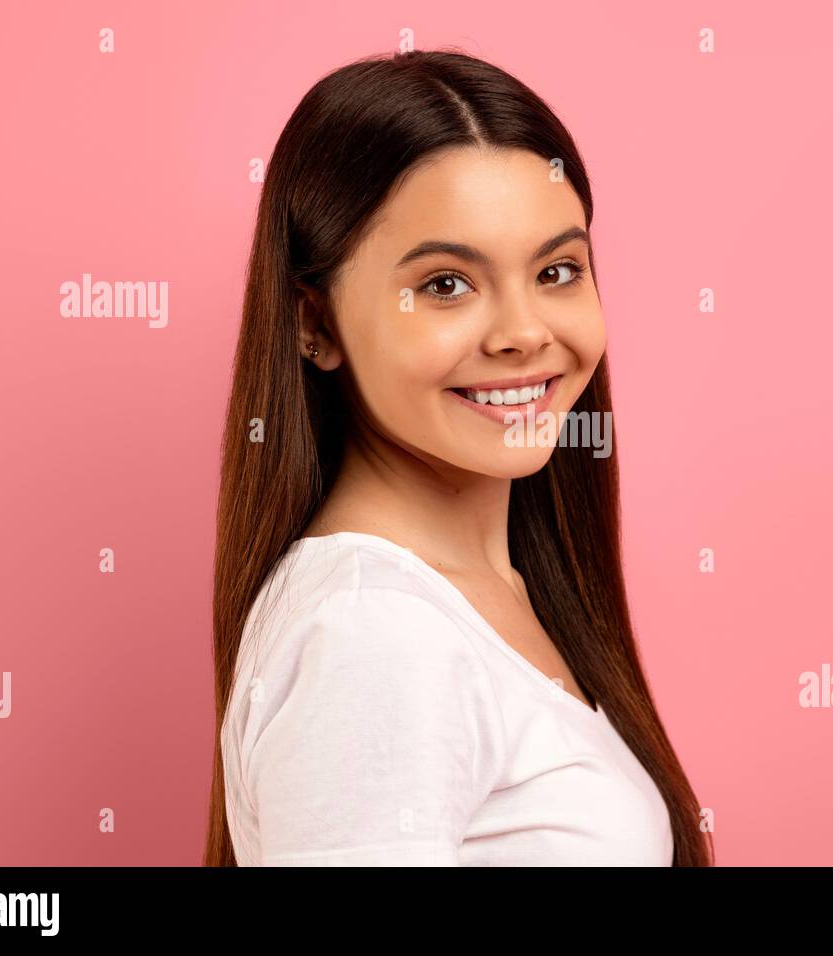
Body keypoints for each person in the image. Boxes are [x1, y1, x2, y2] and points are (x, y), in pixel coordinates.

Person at [205, 48, 713, 866]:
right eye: (446, 284)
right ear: (315, 324)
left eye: (556, 270)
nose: (523, 332)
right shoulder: (373, 633)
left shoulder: (500, 591)